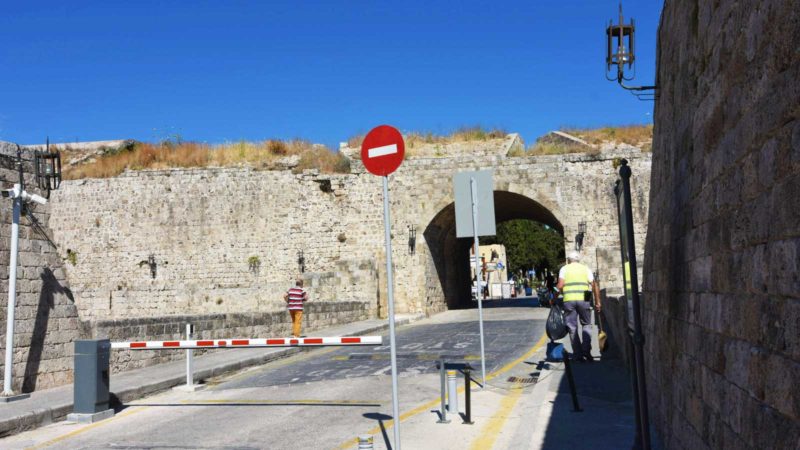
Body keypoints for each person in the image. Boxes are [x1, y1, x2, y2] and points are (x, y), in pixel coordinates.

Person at [556, 251, 601, 362]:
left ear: (568, 260)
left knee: (572, 327)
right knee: (586, 325)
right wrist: (598, 302)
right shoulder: (585, 269)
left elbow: (560, 286)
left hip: (569, 300)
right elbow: (594, 285)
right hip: (584, 300)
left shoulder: (564, 269)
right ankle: (586, 352)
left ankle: (577, 355)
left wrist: (553, 298)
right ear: (578, 260)